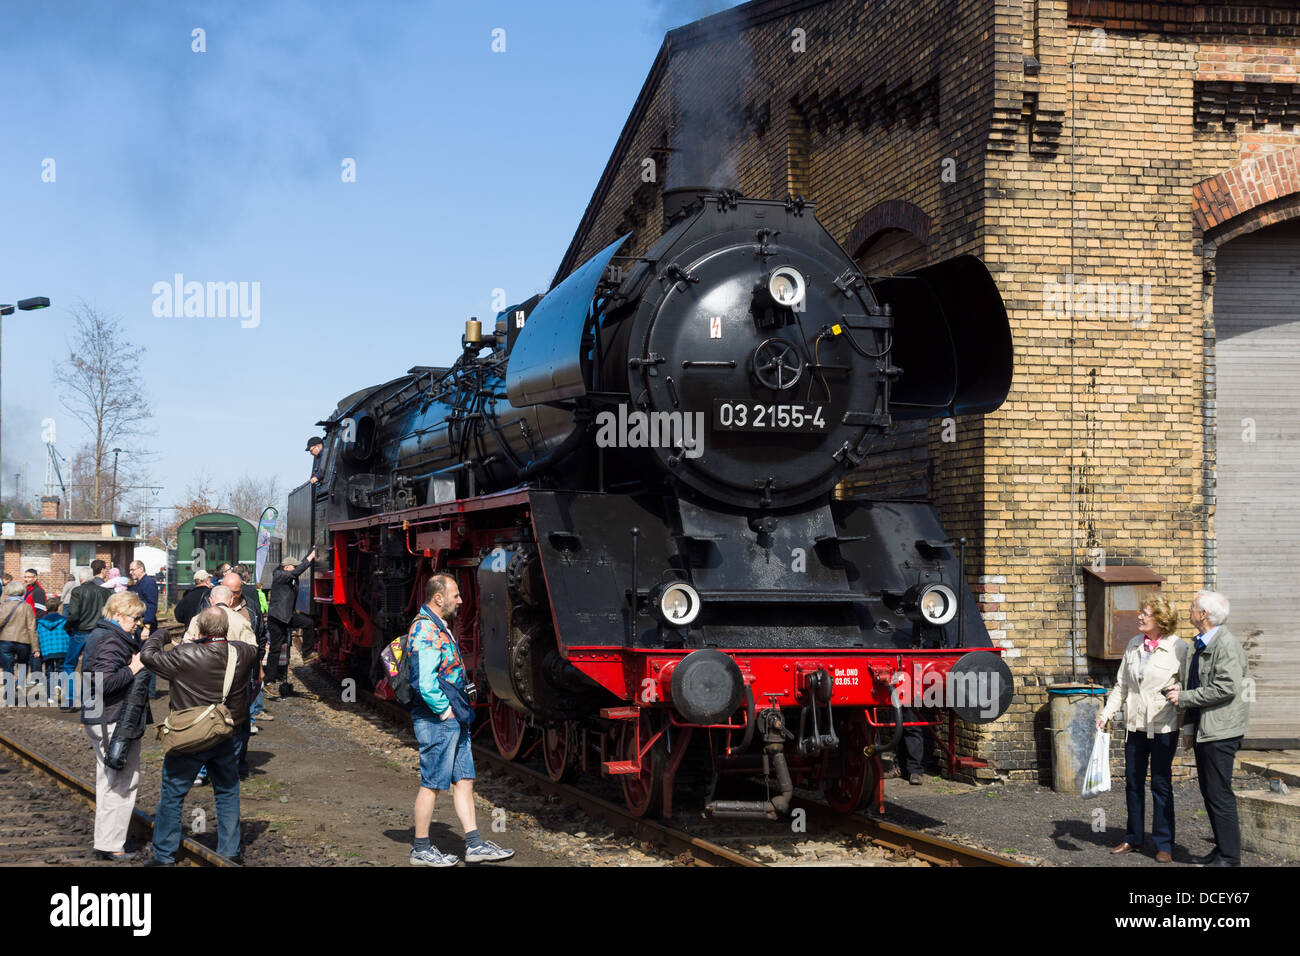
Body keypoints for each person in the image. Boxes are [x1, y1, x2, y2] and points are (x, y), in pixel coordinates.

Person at [408, 574, 512, 866]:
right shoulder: (426, 630)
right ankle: (420, 849)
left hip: (454, 718)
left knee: (464, 780)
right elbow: (424, 682)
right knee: (431, 784)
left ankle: (475, 845)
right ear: (438, 598)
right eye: (456, 595)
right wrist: (445, 711)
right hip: (438, 719)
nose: (461, 600)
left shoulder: (438, 626)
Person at [142, 607, 258, 865]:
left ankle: (164, 855)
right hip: (224, 734)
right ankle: (230, 851)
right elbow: (253, 645)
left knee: (172, 795)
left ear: (200, 629)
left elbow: (148, 656)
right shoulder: (242, 653)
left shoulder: (183, 655)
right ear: (226, 629)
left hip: (189, 737)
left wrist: (160, 633)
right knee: (227, 792)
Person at [1096, 594, 1187, 863]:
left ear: (1160, 618)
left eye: (1145, 613)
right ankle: (1133, 838)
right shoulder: (1134, 644)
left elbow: (1189, 684)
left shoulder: (1178, 648)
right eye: (1141, 612)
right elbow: (1121, 686)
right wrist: (1106, 713)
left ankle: (1163, 844)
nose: (1140, 617)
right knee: (1133, 784)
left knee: (1160, 784)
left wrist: (1181, 689)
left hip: (1163, 727)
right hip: (1134, 726)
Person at [1164, 591, 1250, 867]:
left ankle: (1229, 856)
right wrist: (1188, 723)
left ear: (1203, 615)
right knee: (1210, 792)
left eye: (1192, 607)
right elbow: (1195, 683)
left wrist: (1185, 697)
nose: (1188, 610)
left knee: (1220, 793)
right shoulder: (1198, 644)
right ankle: (1221, 850)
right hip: (1205, 729)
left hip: (1222, 731)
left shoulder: (1226, 645)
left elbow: (1226, 687)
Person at [81, 591, 151, 861]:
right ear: (118, 615)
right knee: (121, 781)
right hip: (113, 718)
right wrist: (133, 669)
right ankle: (111, 844)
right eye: (135, 618)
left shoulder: (104, 635)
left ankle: (106, 839)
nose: (139, 623)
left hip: (103, 717)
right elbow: (103, 683)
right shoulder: (111, 640)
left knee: (109, 779)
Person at [266, 550, 317, 695]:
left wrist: (310, 552)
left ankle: (306, 653)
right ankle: (269, 681)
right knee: (276, 649)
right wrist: (311, 558)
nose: (295, 569)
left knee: (308, 624)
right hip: (278, 618)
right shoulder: (280, 575)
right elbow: (298, 571)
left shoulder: (286, 574)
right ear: (287, 567)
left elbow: (299, 567)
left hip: (285, 616)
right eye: (293, 567)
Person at [62, 561, 111, 709]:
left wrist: (68, 627)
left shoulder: (77, 591)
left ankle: (70, 700)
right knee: (93, 666)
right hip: (98, 633)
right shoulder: (104, 592)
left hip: (80, 632)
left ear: (81, 579)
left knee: (69, 664)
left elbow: (74, 614)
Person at [36, 594, 72, 703]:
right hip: (62, 648)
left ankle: (50, 696)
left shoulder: (41, 622)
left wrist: (38, 649)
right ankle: (59, 686)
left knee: (49, 672)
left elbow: (39, 635)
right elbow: (69, 634)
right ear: (58, 608)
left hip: (47, 650)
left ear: (45, 608)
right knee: (61, 669)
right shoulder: (64, 620)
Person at [0, 580, 38, 677]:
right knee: (23, 666)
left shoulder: (3, 606)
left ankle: (9, 691)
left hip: (5, 640)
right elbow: (31, 628)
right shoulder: (27, 607)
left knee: (7, 669)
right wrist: (35, 648)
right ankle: (20, 685)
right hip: (24, 641)